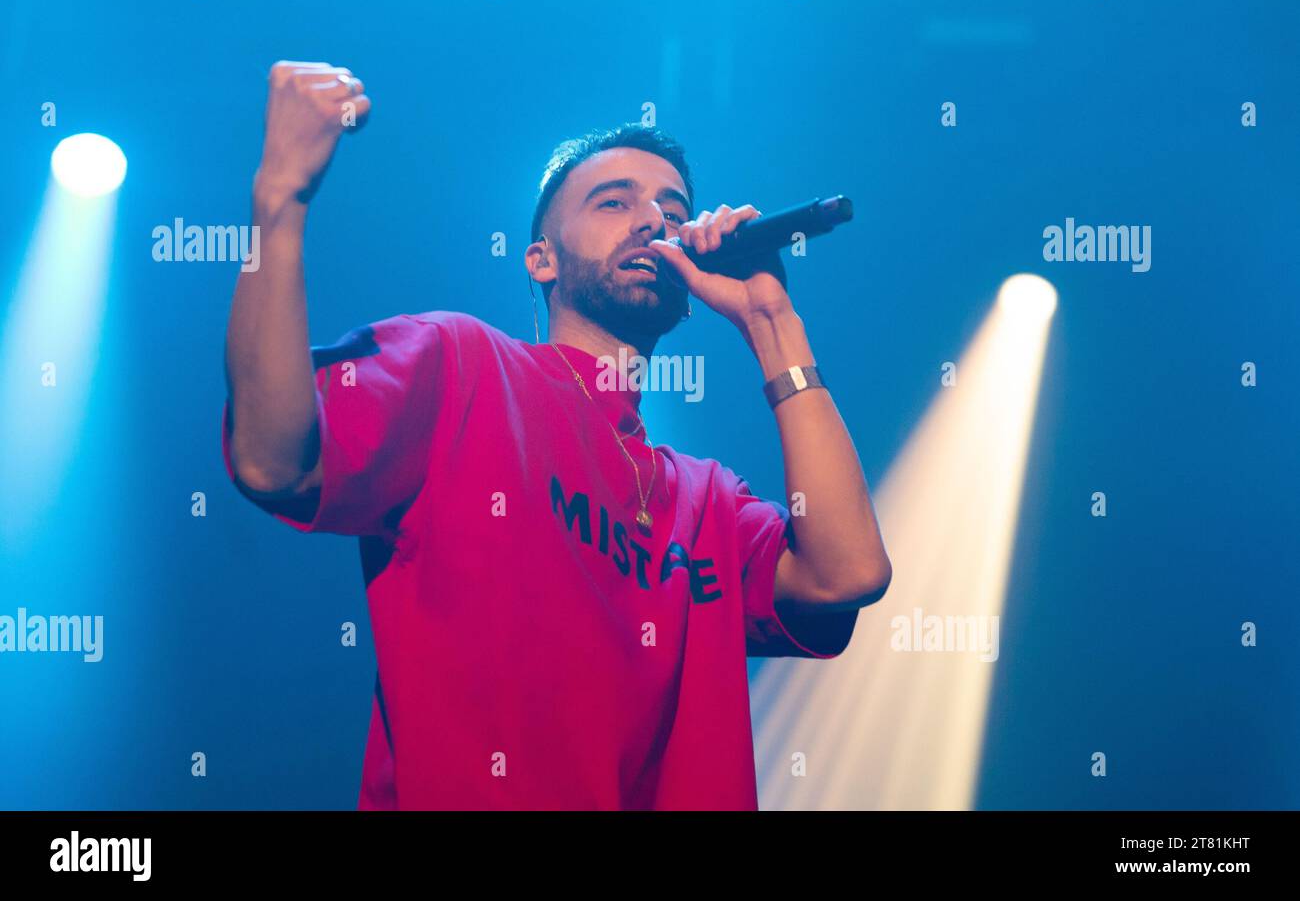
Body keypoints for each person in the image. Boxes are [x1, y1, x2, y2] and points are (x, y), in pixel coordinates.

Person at [222, 60, 892, 809]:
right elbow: (271, 459)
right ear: (539, 258)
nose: (654, 221)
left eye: (675, 209)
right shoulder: (461, 366)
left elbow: (848, 574)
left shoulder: (705, 500)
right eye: (615, 201)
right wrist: (278, 199)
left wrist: (773, 323)